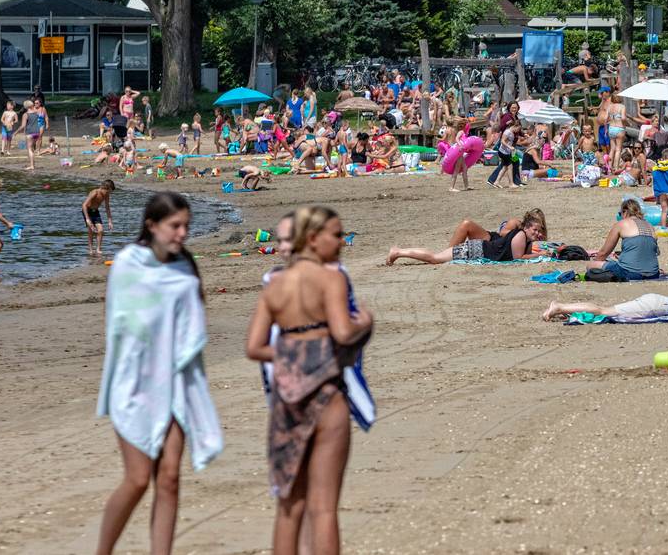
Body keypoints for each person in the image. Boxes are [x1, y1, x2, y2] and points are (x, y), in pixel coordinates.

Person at [96, 193, 222, 555]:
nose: (182, 233)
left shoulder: (185, 268)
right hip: (133, 383)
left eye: (186, 225)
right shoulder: (127, 264)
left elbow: (192, 326)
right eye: (175, 226)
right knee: (137, 480)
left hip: (177, 382)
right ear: (152, 225)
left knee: (169, 478)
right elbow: (118, 326)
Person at [244, 206, 373, 555]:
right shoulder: (331, 279)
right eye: (336, 234)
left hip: (287, 400)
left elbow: (254, 348)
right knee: (324, 508)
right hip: (326, 396)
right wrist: (366, 322)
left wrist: (291, 353)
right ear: (313, 239)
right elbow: (343, 333)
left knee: (289, 506)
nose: (342, 241)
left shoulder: (275, 285)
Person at [542, 273, 668, 321]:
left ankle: (563, 308)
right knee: (605, 311)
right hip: (657, 305)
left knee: (606, 311)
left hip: (658, 302)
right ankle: (560, 306)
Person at [386, 215, 545, 265]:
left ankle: (399, 252)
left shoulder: (523, 236)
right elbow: (518, 257)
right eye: (535, 230)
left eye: (539, 230)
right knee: (436, 258)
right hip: (476, 249)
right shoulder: (520, 235)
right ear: (527, 227)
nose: (537, 233)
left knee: (437, 257)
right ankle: (398, 252)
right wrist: (539, 254)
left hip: (478, 248)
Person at [586, 199, 660, 281]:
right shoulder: (650, 226)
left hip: (629, 272)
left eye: (620, 213)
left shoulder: (621, 224)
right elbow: (654, 252)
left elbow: (604, 253)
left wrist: (596, 262)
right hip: (653, 274)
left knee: (591, 265)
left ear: (625, 212)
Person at [83, 180, 116, 257]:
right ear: (105, 188)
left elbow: (107, 207)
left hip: (95, 212)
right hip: (87, 211)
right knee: (91, 230)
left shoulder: (106, 195)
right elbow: (84, 205)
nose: (109, 194)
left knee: (100, 230)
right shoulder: (95, 193)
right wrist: (87, 219)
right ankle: (91, 249)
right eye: (108, 192)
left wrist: (110, 221)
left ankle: (98, 249)